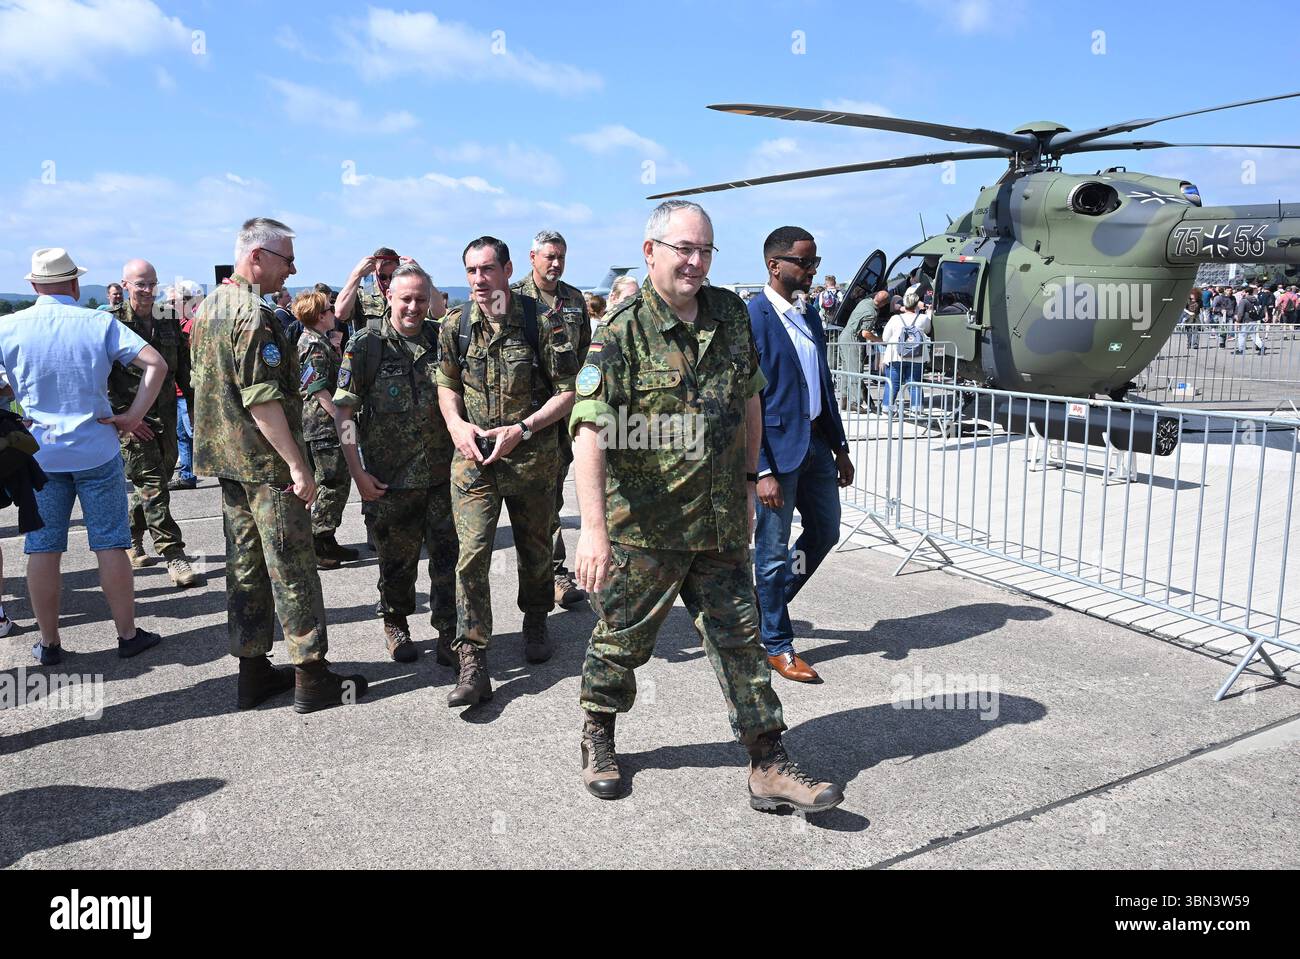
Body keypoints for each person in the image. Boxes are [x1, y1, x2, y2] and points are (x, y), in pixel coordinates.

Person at [569, 200, 844, 813]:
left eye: (705, 250)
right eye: (683, 249)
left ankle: (768, 763)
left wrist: (750, 481)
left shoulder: (728, 315)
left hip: (719, 523)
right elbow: (589, 430)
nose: (695, 262)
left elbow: (750, 396)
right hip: (646, 528)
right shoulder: (619, 330)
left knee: (742, 643)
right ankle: (599, 736)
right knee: (621, 641)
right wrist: (592, 531)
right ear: (652, 253)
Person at [191, 217, 368, 713]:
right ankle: (312, 674)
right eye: (287, 259)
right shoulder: (254, 316)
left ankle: (253, 672)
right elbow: (263, 400)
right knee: (293, 566)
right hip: (265, 465)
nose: (293, 269)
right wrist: (298, 465)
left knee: (245, 568)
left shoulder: (210, 308)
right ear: (257, 258)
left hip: (229, 463)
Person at [0, 247, 167, 665]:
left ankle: (50, 643)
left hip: (40, 453)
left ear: (35, 285)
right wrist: (132, 416)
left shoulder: (8, 327)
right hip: (96, 447)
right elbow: (156, 365)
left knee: (42, 548)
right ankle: (127, 634)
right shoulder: (98, 322)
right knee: (110, 543)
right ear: (74, 284)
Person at [436, 237, 578, 708]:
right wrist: (455, 424)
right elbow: (446, 384)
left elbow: (569, 391)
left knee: (536, 550)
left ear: (507, 269)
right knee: (472, 554)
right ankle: (473, 656)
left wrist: (524, 427)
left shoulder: (542, 322)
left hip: (531, 459)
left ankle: (535, 618)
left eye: (486, 270)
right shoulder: (455, 324)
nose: (478, 279)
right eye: (471, 270)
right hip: (474, 461)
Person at [334, 263, 457, 665]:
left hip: (442, 477)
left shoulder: (442, 340)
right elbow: (345, 415)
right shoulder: (365, 345)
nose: (414, 307)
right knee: (396, 562)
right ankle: (396, 621)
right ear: (389, 297)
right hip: (390, 481)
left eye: (422, 299)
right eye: (406, 298)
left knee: (446, 560)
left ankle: (448, 632)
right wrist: (357, 472)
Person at [750, 226, 856, 684]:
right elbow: (744, 400)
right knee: (772, 552)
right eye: (804, 263)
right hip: (776, 452)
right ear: (775, 265)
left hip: (815, 443)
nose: (813, 271)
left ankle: (761, 609)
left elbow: (823, 387)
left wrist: (840, 447)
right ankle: (776, 643)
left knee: (825, 532)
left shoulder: (807, 313)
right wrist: (761, 468)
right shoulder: (753, 316)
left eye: (814, 263)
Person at [511, 230, 591, 611]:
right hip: (528, 415)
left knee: (555, 493)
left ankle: (553, 572)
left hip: (566, 412)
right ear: (532, 257)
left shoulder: (574, 299)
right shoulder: (513, 298)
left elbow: (587, 354)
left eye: (561, 256)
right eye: (549, 257)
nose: (555, 263)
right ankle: (553, 574)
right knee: (537, 501)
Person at [107, 259, 198, 588]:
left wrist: (196, 408)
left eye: (152, 284)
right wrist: (127, 419)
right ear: (125, 285)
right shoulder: (111, 323)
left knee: (152, 485)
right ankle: (174, 555)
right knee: (156, 489)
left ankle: (132, 535)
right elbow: (103, 379)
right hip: (135, 424)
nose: (147, 291)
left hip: (167, 419)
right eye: (140, 284)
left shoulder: (168, 319)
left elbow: (185, 371)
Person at [294, 291, 356, 570]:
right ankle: (319, 541)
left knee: (337, 482)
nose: (334, 313)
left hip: (326, 425)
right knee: (331, 483)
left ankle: (327, 537)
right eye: (330, 309)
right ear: (320, 315)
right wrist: (341, 421)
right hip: (324, 425)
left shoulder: (318, 341)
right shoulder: (314, 345)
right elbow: (318, 389)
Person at [168, 281, 203, 491]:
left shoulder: (193, 324)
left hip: (189, 388)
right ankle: (187, 474)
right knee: (183, 434)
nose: (170, 305)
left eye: (174, 301)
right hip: (178, 390)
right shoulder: (177, 323)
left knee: (193, 432)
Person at [880, 285, 931, 407]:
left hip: (896, 355)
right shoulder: (923, 319)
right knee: (915, 383)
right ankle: (916, 407)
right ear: (917, 304)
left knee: (893, 382)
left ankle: (887, 406)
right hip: (916, 356)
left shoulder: (895, 318)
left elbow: (885, 338)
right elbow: (928, 330)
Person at [839, 290, 889, 412]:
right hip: (853, 340)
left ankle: (844, 400)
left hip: (844, 336)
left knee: (847, 370)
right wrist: (880, 340)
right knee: (856, 372)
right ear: (884, 304)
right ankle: (855, 402)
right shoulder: (872, 313)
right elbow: (865, 333)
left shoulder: (864, 302)